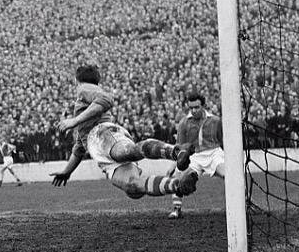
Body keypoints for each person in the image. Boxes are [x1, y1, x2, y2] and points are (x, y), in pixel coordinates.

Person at [51, 64, 198, 200]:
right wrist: (67, 172)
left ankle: (175, 152)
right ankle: (178, 185)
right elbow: (79, 148)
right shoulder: (84, 107)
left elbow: (106, 99)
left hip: (103, 135)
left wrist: (74, 121)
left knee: (128, 152)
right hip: (100, 151)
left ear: (76, 80)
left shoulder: (84, 88)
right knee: (133, 187)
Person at [168, 91, 225, 219]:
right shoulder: (184, 123)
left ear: (203, 106)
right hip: (194, 157)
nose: (193, 110)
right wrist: (174, 165)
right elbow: (179, 146)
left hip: (214, 154)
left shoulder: (215, 120)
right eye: (191, 108)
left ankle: (244, 204)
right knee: (179, 177)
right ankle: (176, 209)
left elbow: (222, 141)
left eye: (197, 107)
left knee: (230, 176)